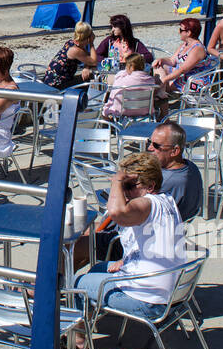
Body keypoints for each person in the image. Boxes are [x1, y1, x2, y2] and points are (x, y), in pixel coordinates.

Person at [73, 153, 186, 322]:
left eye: (129, 185)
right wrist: (126, 260)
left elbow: (117, 212)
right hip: (169, 294)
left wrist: (117, 181)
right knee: (98, 269)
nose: (124, 192)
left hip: (149, 302)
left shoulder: (147, 203)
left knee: (77, 284)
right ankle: (88, 316)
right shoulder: (166, 200)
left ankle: (78, 338)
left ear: (150, 186)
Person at [147, 120, 203, 221]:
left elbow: (135, 209)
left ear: (174, 151)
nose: (149, 148)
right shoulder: (191, 166)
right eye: (149, 142)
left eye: (156, 145)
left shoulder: (165, 181)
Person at [152, 17, 214, 94]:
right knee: (159, 65)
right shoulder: (185, 45)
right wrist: (160, 60)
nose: (179, 32)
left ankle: (157, 97)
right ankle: (160, 95)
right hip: (184, 75)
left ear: (188, 33)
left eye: (181, 30)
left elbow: (183, 69)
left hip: (194, 79)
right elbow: (172, 61)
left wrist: (164, 79)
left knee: (159, 86)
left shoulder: (197, 49)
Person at [102, 53, 163, 120]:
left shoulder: (121, 81)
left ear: (131, 67)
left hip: (122, 112)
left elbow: (112, 98)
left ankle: (112, 128)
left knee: (104, 111)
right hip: (144, 112)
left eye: (126, 66)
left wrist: (105, 110)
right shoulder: (150, 81)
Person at [42, 22, 97, 89]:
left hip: (52, 80)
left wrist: (86, 67)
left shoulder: (72, 42)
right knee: (89, 80)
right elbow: (94, 61)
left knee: (87, 77)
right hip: (56, 86)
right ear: (88, 36)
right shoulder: (75, 50)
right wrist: (91, 43)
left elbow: (87, 57)